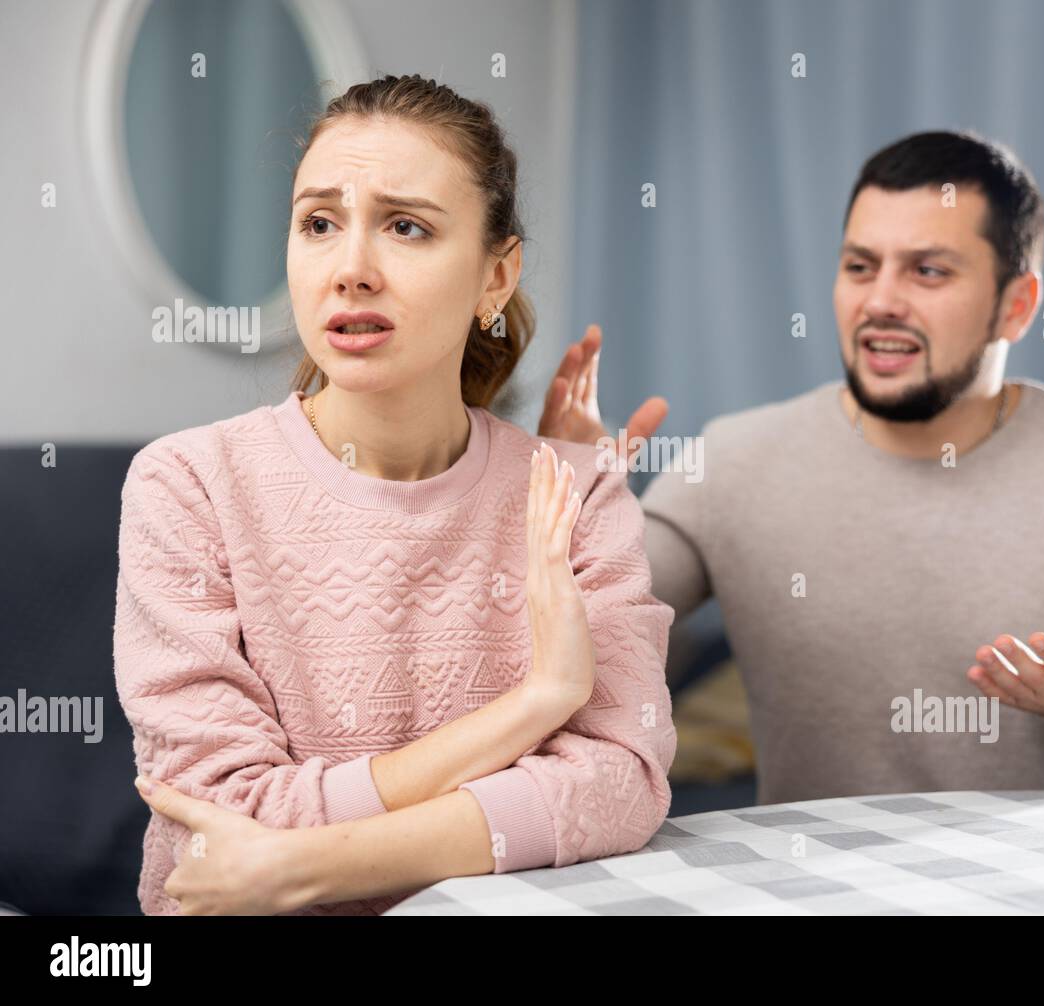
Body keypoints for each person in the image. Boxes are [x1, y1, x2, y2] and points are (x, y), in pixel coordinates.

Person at [539, 130, 1044, 804]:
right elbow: (577, 660)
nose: (880, 301)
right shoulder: (729, 461)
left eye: (928, 270)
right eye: (860, 266)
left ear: (1017, 307)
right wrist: (575, 507)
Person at [114, 74, 675, 915]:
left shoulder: (577, 492)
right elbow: (219, 816)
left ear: (496, 277)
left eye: (406, 226)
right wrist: (538, 705)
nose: (350, 270)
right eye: (318, 224)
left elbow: (622, 783)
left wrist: (308, 868)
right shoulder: (188, 485)